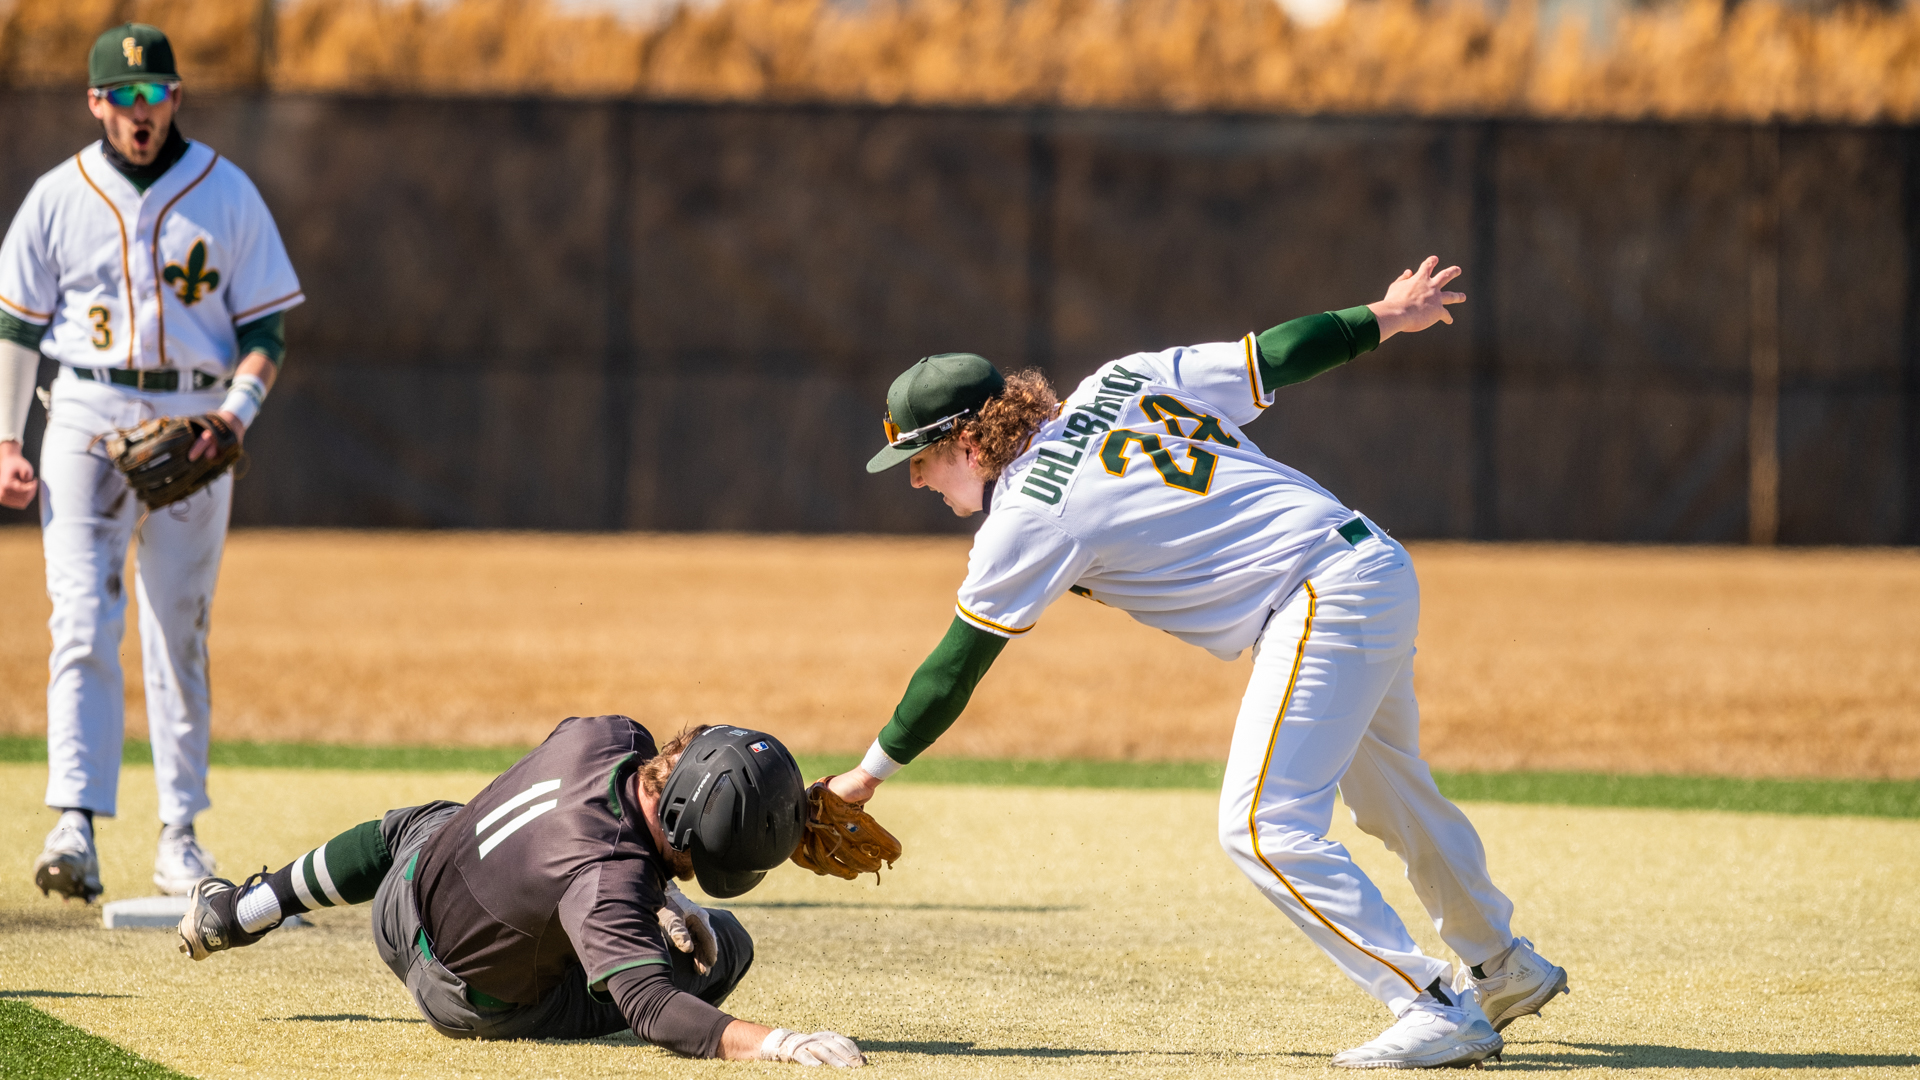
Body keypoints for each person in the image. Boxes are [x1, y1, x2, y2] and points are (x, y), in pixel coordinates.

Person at [831, 257, 1569, 1068]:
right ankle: (1502, 966)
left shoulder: (1027, 516)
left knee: (1260, 827)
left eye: (922, 459)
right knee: (1392, 792)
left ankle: (1431, 1003)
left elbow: (955, 665)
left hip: (1316, 596)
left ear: (969, 440)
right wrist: (1387, 315)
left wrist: (867, 774)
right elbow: (1274, 355)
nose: (917, 480)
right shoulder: (1120, 380)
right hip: (1374, 565)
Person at [0, 23, 303, 902]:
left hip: (194, 415)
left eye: (157, 92)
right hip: (86, 413)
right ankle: (75, 824)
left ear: (177, 97)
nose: (143, 110)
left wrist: (234, 417)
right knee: (80, 617)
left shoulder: (227, 191)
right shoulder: (59, 194)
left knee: (181, 630)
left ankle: (179, 835)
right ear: (97, 102)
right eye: (125, 96)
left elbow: (267, 330)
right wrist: (8, 441)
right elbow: (19, 325)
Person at [177, 718, 866, 1066]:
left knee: (426, 823)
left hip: (403, 896)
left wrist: (657, 890)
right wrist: (777, 1043)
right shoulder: (609, 883)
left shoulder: (610, 736)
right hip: (466, 1001)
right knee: (725, 949)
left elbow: (566, 832)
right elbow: (653, 1009)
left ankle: (241, 911)